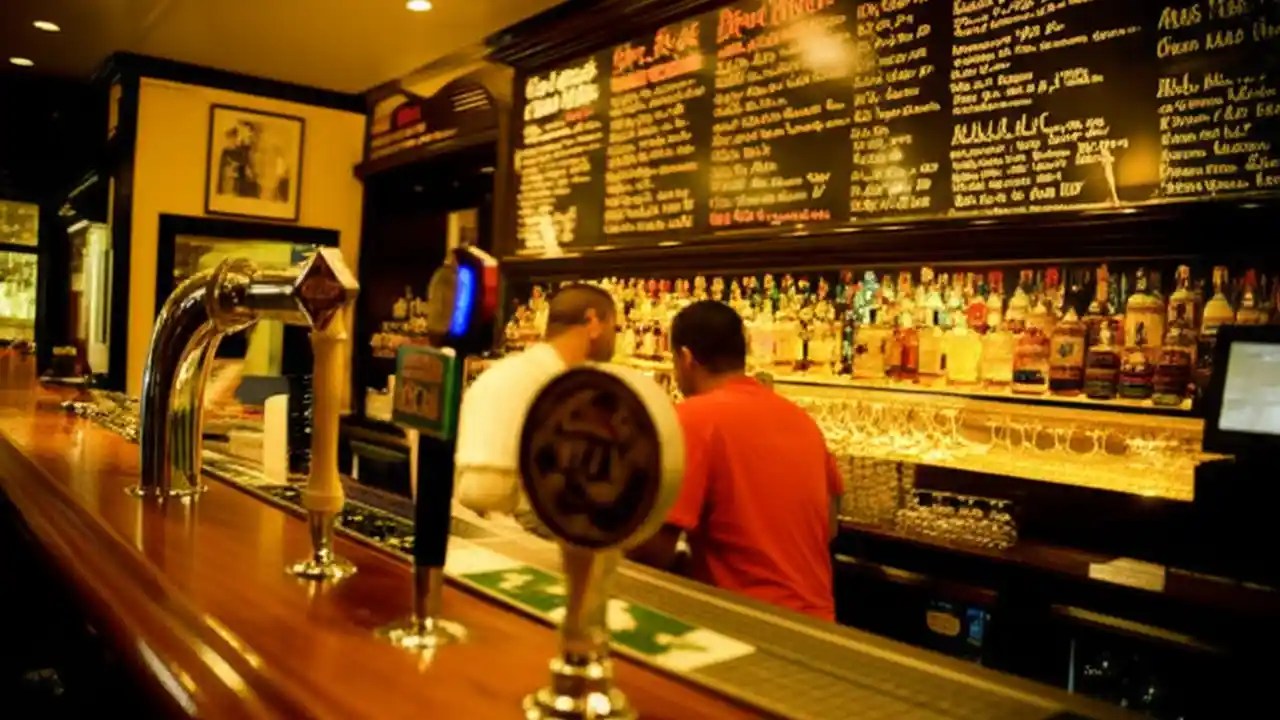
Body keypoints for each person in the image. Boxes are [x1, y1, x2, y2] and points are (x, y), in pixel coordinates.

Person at [630, 300, 842, 621]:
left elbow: (652, 551)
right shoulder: (801, 420)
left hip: (748, 624)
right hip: (819, 626)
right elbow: (829, 527)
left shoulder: (692, 418)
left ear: (686, 359)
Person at [454, 283, 618, 527]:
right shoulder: (550, 386)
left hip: (473, 536)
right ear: (592, 323)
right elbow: (487, 490)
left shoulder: (507, 372)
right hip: (515, 544)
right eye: (615, 328)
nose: (616, 338)